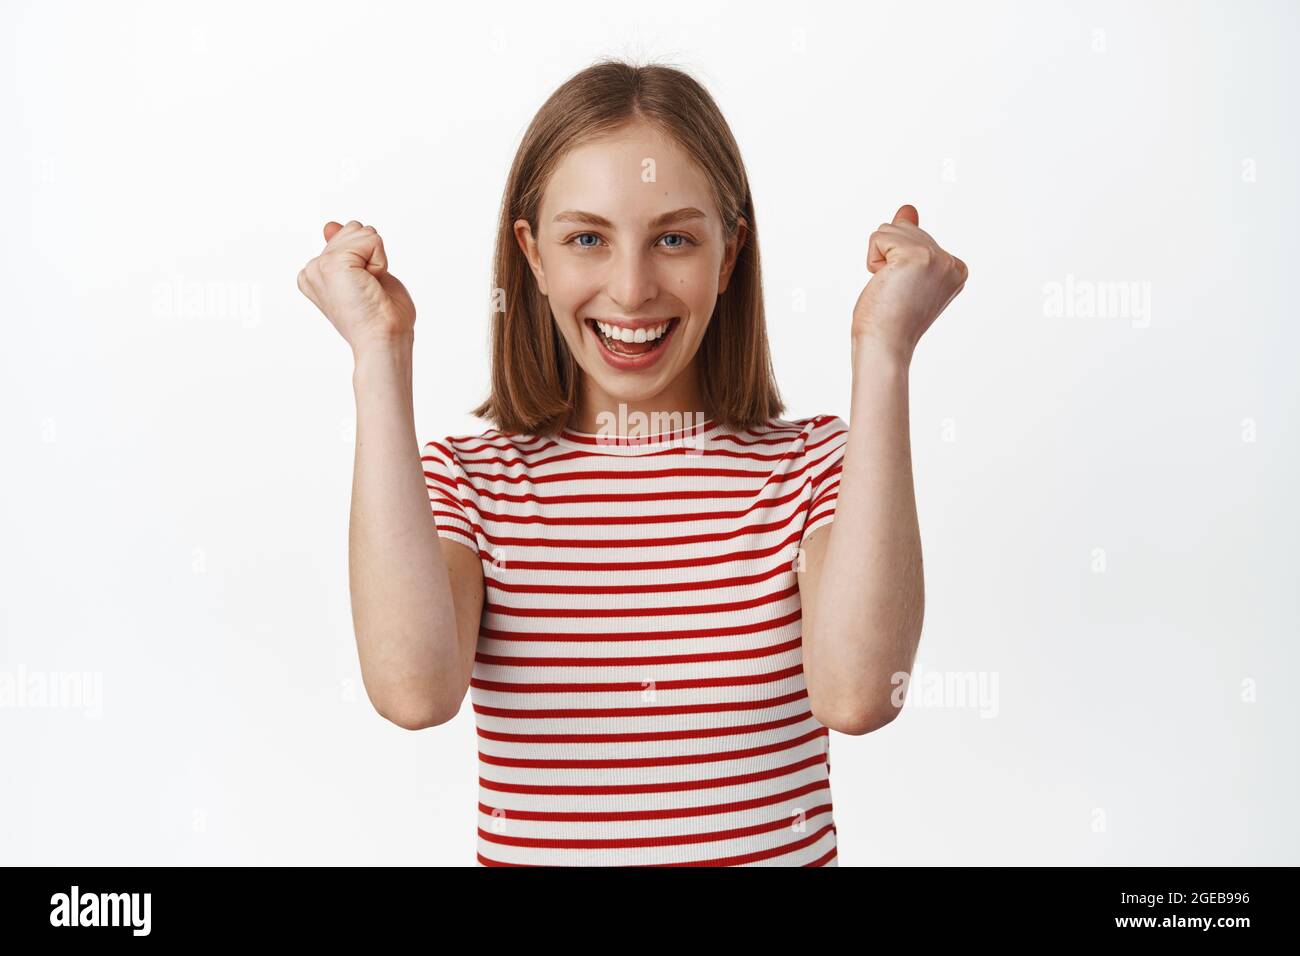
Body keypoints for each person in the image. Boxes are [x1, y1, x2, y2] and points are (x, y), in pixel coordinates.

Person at [296, 58, 967, 867]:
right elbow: (412, 691)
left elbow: (859, 694)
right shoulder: (469, 485)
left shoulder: (818, 469)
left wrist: (885, 350)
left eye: (674, 239)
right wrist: (379, 350)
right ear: (533, 257)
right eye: (587, 238)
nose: (632, 287)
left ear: (728, 255)